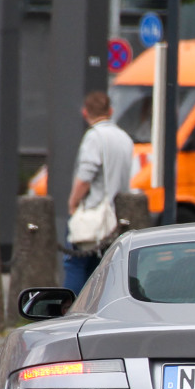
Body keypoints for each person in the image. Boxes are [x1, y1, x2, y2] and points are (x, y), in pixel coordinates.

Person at [63, 91, 134, 294]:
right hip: (115, 215)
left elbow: (86, 176)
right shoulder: (124, 138)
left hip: (93, 212)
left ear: (85, 113)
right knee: (102, 270)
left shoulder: (94, 137)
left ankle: (70, 311)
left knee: (75, 264)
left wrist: (73, 203)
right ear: (110, 111)